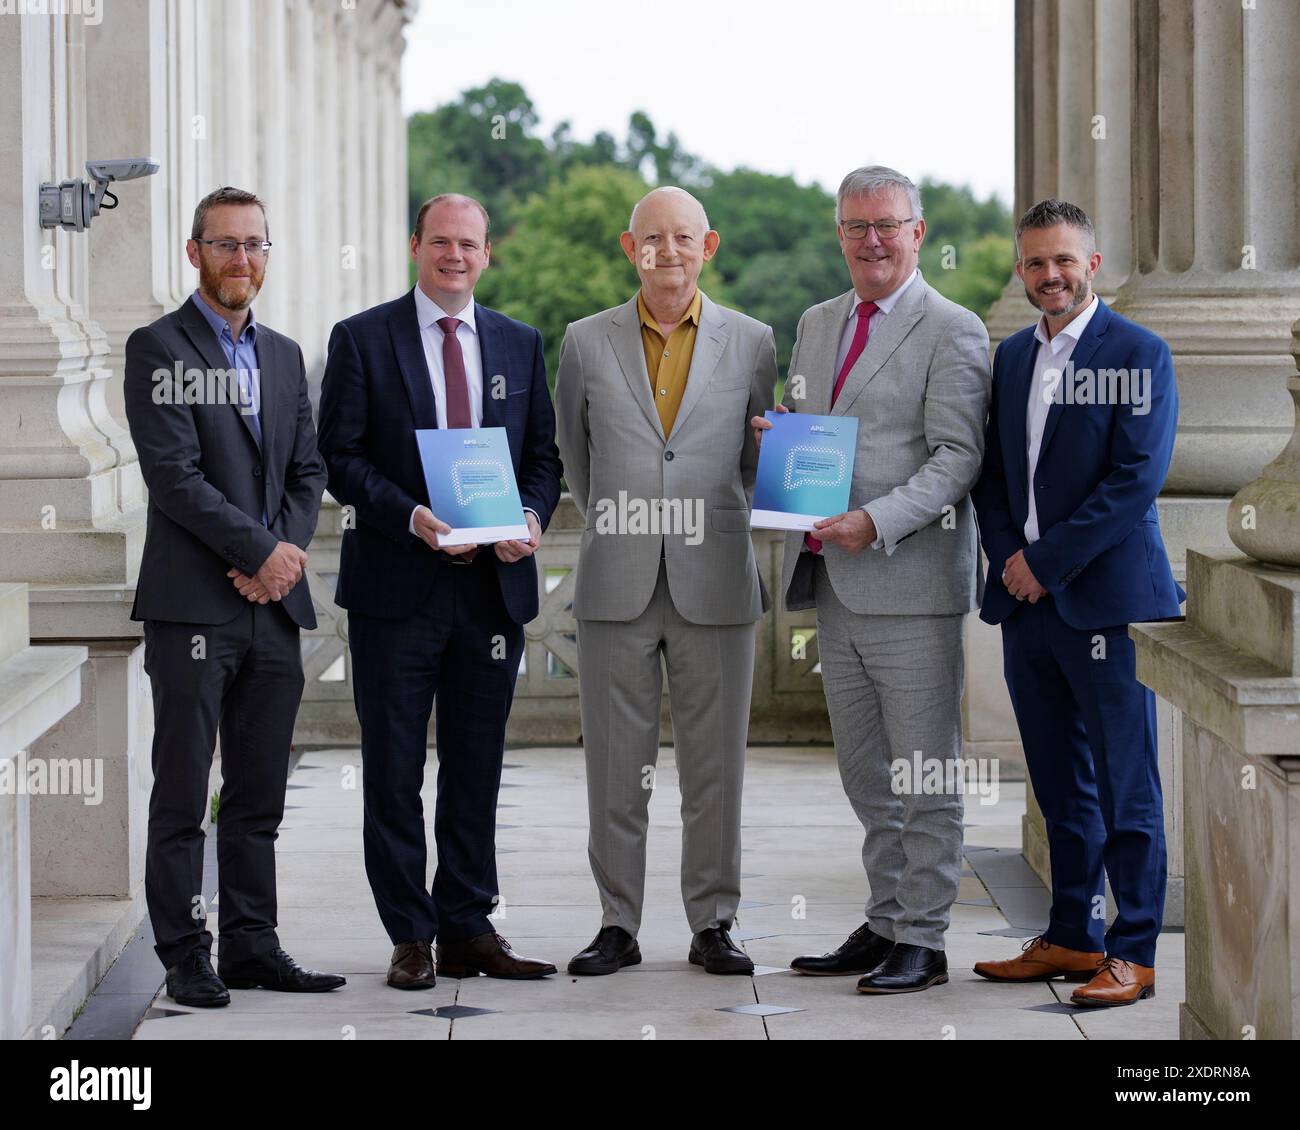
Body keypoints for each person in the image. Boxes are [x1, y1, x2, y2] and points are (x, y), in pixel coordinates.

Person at [754, 166, 991, 995]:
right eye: (856, 227)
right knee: (865, 774)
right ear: (840, 234)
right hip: (833, 583)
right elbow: (819, 427)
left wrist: (876, 520)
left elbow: (958, 456)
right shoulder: (818, 323)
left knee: (925, 772)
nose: (873, 241)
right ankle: (887, 918)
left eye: (888, 225)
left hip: (910, 581)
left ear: (918, 232)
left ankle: (923, 940)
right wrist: (782, 440)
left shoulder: (952, 328)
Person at [318, 193, 563, 989]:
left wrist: (529, 513)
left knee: (477, 765)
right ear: (414, 246)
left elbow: (544, 458)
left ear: (487, 253)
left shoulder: (520, 345)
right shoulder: (361, 339)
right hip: (399, 586)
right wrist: (411, 516)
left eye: (470, 244)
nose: (455, 256)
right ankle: (410, 935)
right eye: (441, 242)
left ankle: (466, 925)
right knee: (392, 769)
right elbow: (341, 458)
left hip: (492, 590)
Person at [124, 185, 342, 1007]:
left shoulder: (284, 355)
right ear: (195, 253)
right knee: (183, 791)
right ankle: (184, 953)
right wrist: (259, 552)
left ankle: (253, 944)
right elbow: (174, 478)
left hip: (271, 611)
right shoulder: (158, 348)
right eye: (225, 245)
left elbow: (307, 470)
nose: (241, 260)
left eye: (255, 245)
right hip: (193, 607)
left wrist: (278, 559)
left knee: (258, 794)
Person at [555, 187, 776, 975]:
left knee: (716, 768)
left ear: (708, 246)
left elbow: (756, 463)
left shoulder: (752, 342)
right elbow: (574, 457)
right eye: (653, 238)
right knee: (616, 766)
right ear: (629, 247)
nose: (668, 251)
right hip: (616, 578)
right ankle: (618, 924)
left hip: (714, 579)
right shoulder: (584, 341)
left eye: (683, 237)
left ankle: (713, 923)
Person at [971, 198, 1183, 1007]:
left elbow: (1135, 480)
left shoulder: (1140, 351)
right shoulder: (1012, 359)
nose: (1049, 275)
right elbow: (993, 476)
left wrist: (1046, 564)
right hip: (1026, 608)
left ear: (1092, 265)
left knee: (1128, 786)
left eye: (1064, 260)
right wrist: (1009, 561)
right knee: (1059, 784)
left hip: (1107, 603)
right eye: (1034, 262)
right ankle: (1070, 933)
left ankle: (1133, 952)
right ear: (1020, 270)